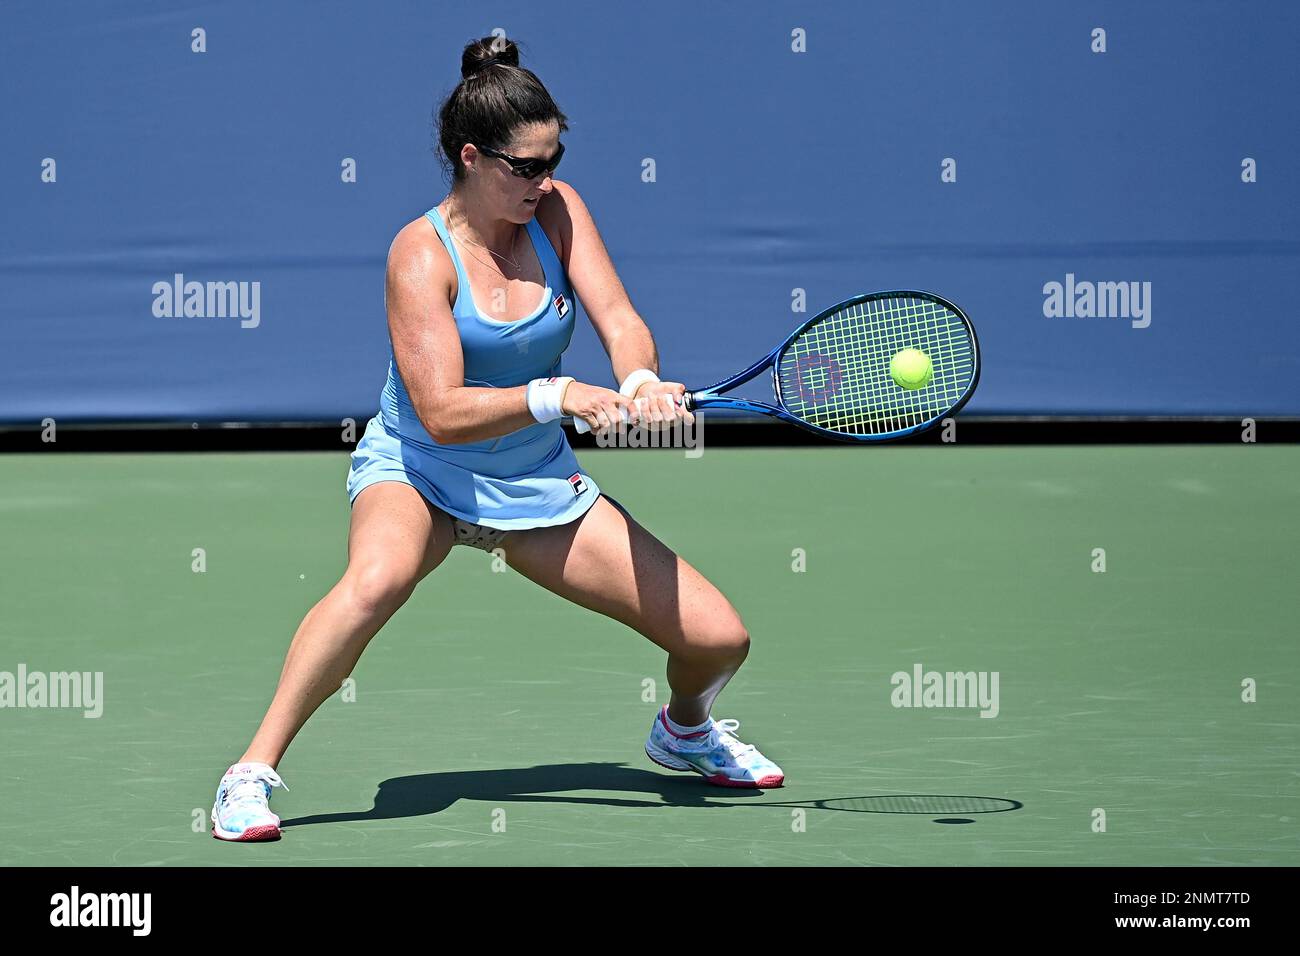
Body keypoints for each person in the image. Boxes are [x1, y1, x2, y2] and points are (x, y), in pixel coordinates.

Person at [210, 36, 783, 843]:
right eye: (525, 166)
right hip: (420, 470)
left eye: (554, 159)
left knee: (722, 638)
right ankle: (248, 774)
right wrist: (558, 394)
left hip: (534, 483)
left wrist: (640, 378)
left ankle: (684, 730)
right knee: (373, 585)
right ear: (471, 158)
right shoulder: (419, 254)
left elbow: (618, 318)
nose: (543, 180)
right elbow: (441, 411)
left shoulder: (557, 208)